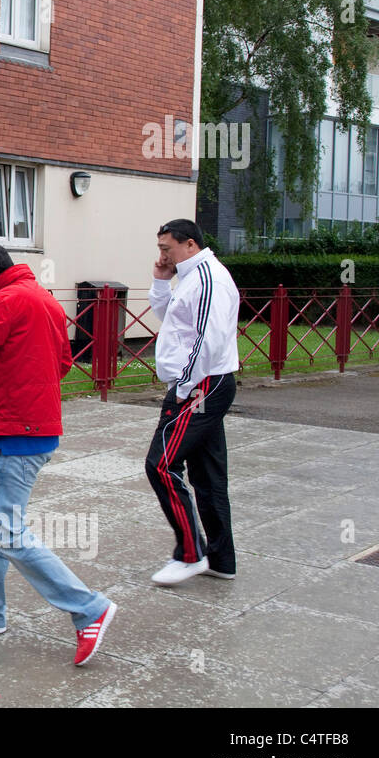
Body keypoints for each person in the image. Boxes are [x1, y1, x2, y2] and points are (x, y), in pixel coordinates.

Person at [0, 241, 116, 667]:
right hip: (34, 428)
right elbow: (61, 363)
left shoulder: (2, 301)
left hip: (15, 430)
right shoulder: (44, 298)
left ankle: (88, 608)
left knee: (6, 531)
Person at [144, 219, 240, 586]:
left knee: (162, 464)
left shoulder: (208, 278)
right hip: (202, 384)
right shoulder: (192, 276)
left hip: (202, 386)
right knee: (208, 476)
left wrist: (183, 389)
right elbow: (172, 320)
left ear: (190, 244)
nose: (162, 255)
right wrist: (159, 280)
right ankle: (221, 560)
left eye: (166, 248)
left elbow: (208, 339)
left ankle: (190, 554)